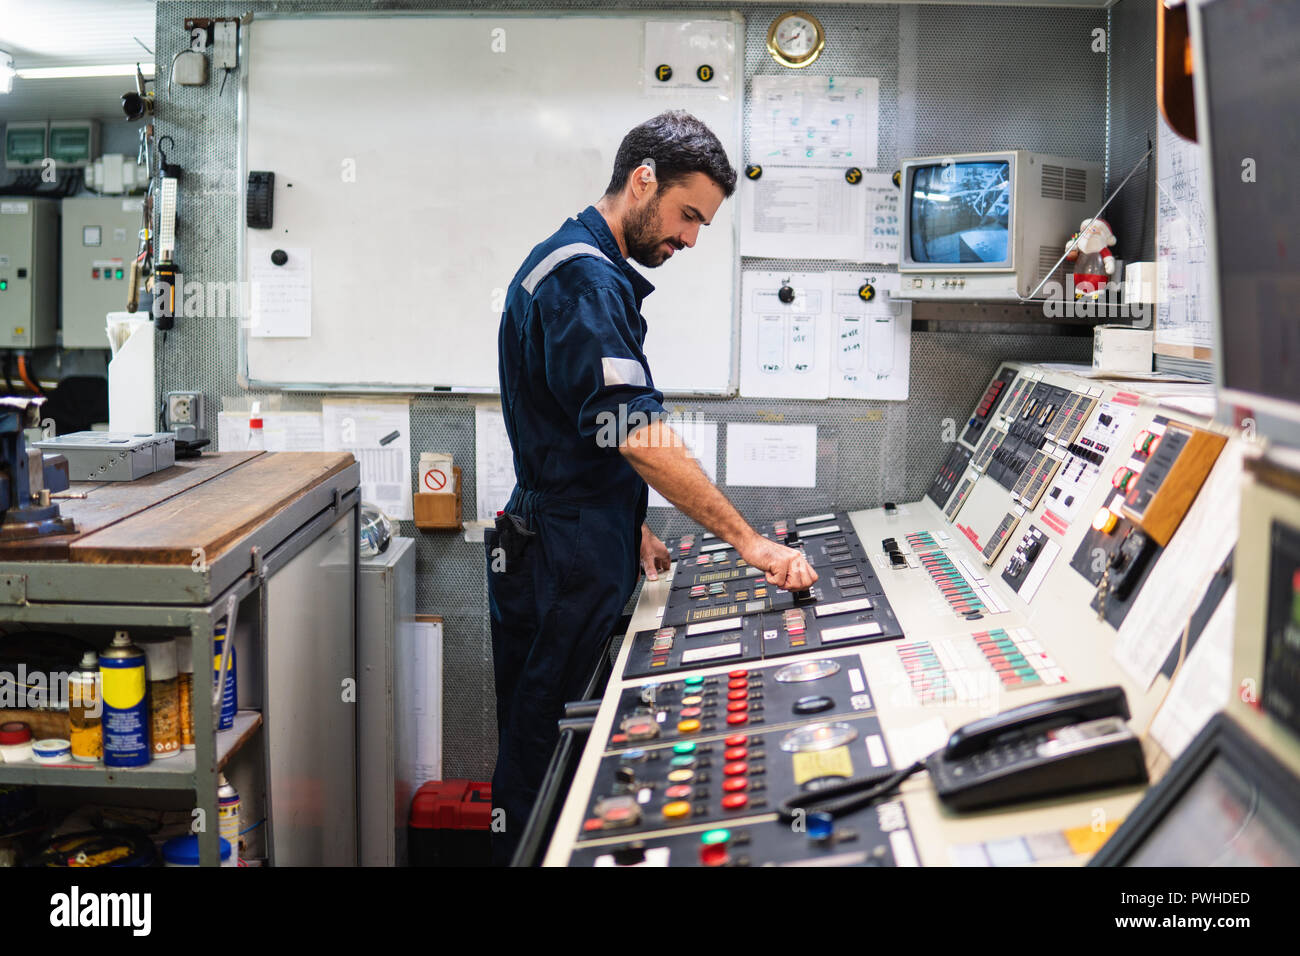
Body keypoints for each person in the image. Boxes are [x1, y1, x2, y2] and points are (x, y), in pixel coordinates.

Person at [486, 110, 818, 865]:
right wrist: (750, 542)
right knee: (546, 755)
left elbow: (579, 426)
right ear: (643, 180)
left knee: (563, 741)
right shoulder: (580, 277)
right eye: (687, 214)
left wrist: (622, 517)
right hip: (560, 558)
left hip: (575, 534)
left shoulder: (585, 267)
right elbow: (632, 429)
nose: (691, 239)